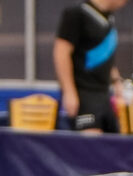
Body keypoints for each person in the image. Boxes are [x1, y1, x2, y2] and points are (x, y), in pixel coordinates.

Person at [53, 0, 129, 133]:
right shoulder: (77, 14)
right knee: (90, 147)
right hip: (84, 95)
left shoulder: (109, 18)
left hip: (103, 95)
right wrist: (69, 92)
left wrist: (117, 82)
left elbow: (106, 54)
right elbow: (61, 53)